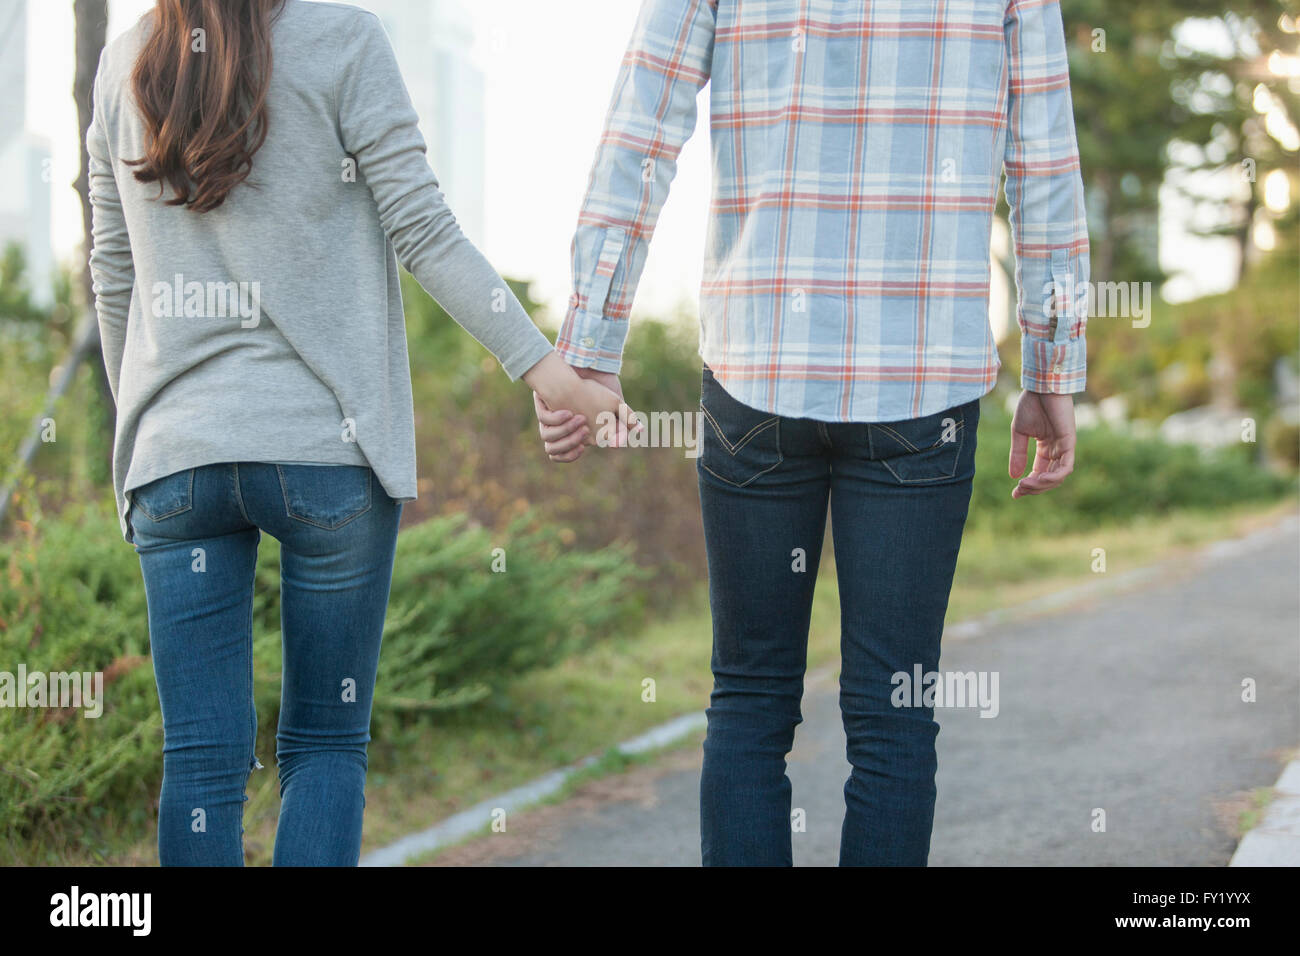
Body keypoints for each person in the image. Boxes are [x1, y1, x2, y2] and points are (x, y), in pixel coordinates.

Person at [536, 0, 1089, 866]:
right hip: (924, 381)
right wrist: (1052, 368)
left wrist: (591, 347)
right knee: (895, 708)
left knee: (751, 700)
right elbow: (1044, 160)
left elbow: (641, 128)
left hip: (757, 371)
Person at [88, 0, 632, 866]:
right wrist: (549, 371)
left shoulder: (125, 62)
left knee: (199, 757)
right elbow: (423, 228)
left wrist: (144, 437)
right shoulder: (344, 39)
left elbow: (113, 276)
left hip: (175, 463)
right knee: (325, 746)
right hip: (325, 456)